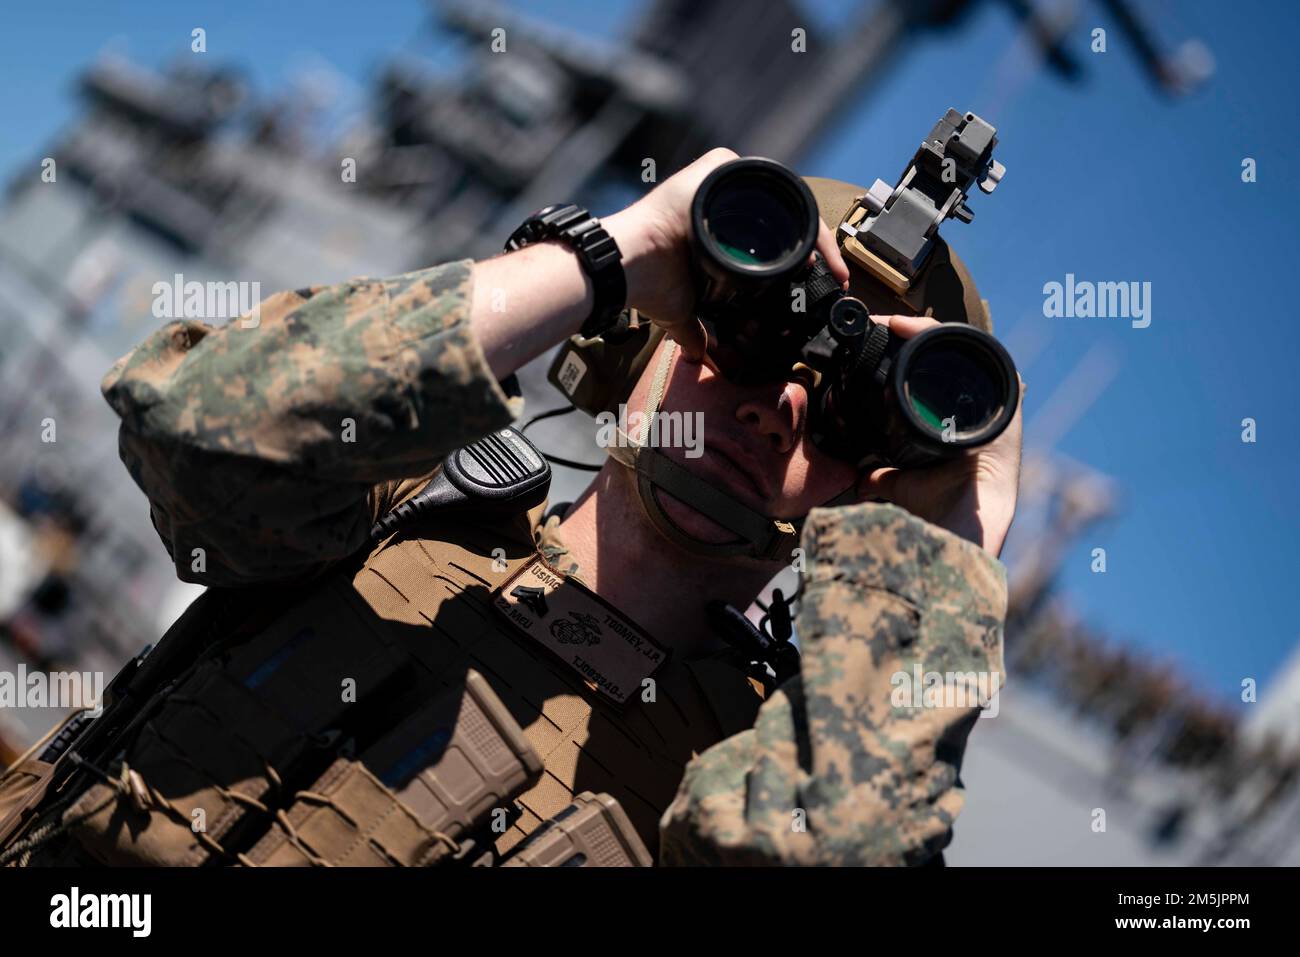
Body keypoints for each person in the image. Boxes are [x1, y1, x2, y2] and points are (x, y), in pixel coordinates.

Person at [0, 148, 1021, 867]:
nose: (778, 410)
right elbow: (196, 426)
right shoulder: (406, 508)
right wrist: (605, 257)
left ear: (883, 480)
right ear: (646, 342)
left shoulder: (767, 778)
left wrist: (952, 544)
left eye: (843, 413)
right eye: (745, 343)